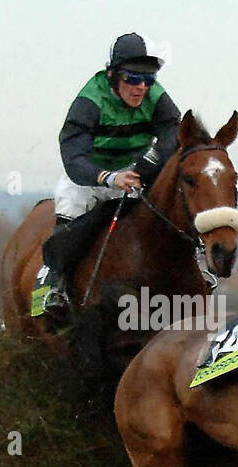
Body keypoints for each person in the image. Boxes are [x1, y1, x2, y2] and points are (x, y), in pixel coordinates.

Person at [44, 33, 180, 313]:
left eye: (148, 80)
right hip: (91, 173)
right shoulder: (90, 100)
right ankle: (52, 283)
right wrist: (108, 177)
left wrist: (147, 165)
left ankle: (197, 265)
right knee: (71, 202)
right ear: (113, 74)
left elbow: (174, 133)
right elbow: (73, 156)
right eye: (132, 78)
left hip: (133, 171)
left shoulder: (156, 96)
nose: (140, 87)